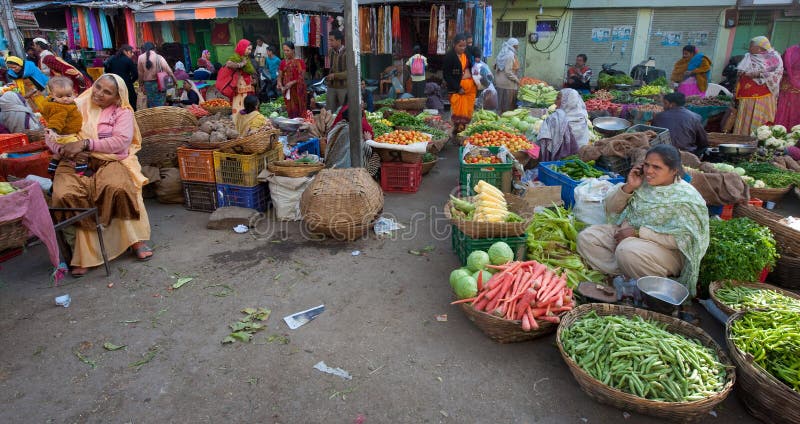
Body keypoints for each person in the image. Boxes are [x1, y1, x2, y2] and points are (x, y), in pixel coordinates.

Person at [46, 74, 153, 277]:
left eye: (107, 92)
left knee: (117, 187)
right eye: (98, 87)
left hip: (110, 159)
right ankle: (83, 254)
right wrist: (64, 149)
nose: (99, 94)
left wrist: (87, 144)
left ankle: (135, 240)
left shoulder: (123, 112)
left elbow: (120, 142)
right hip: (71, 160)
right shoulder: (73, 105)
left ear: (117, 97)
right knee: (64, 194)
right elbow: (51, 135)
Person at [577, 144, 710, 297]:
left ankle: (647, 280)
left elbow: (684, 240)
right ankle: (628, 274)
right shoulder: (642, 183)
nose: (649, 171)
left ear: (674, 171)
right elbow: (612, 208)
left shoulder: (687, 198)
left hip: (666, 250)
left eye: (656, 167)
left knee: (627, 251)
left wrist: (638, 233)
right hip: (628, 237)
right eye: (646, 165)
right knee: (587, 238)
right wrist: (629, 187)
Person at [733, 36, 784, 136]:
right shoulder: (748, 56)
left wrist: (758, 74)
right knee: (745, 117)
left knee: (761, 119)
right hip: (746, 95)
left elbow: (776, 73)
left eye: (751, 46)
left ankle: (761, 138)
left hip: (764, 96)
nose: (749, 48)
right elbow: (740, 72)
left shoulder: (773, 57)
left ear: (760, 48)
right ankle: (742, 137)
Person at [39, 77, 85, 175]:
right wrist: (53, 130)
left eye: (68, 95)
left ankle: (54, 161)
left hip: (64, 134)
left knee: (62, 149)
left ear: (73, 92)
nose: (65, 99)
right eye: (60, 96)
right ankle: (81, 166)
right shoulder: (60, 108)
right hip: (66, 135)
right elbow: (57, 120)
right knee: (78, 148)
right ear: (52, 95)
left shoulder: (54, 102)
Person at [537, 88, 589, 161]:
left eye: (558, 99)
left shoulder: (555, 119)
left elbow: (544, 142)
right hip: (578, 161)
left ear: (567, 101)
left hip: (556, 163)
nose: (555, 102)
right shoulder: (582, 119)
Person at [443, 33, 477, 134]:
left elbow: (475, 51)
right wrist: (458, 88)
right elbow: (447, 75)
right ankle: (455, 133)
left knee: (467, 112)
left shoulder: (465, 54)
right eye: (460, 46)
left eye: (464, 46)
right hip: (456, 90)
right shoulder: (450, 56)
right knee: (456, 112)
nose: (463, 48)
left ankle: (464, 133)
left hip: (468, 91)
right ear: (454, 45)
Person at [218, 39, 256, 115]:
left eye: (250, 50)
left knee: (247, 102)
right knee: (240, 103)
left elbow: (250, 71)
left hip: (247, 85)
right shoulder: (236, 57)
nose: (249, 51)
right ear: (242, 47)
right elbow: (229, 64)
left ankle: (247, 118)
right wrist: (241, 64)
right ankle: (239, 119)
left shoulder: (245, 58)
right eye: (248, 49)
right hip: (239, 86)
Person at [137, 42, 175, 108]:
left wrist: (141, 85)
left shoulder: (140, 57)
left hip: (148, 85)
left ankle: (154, 117)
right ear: (154, 48)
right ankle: (161, 116)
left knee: (151, 103)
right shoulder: (159, 57)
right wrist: (175, 80)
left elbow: (140, 74)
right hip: (160, 83)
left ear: (144, 49)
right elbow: (169, 71)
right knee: (161, 102)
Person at [278, 41, 307, 118]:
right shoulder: (282, 63)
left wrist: (292, 83)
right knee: (291, 110)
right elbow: (280, 76)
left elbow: (302, 77)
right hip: (288, 90)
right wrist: (280, 85)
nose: (286, 52)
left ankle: (302, 126)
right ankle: (293, 125)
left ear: (293, 50)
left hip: (298, 90)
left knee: (300, 109)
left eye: (288, 50)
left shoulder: (300, 62)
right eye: (284, 50)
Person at [105, 45, 138, 110]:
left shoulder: (112, 59)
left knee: (117, 104)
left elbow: (107, 71)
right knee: (131, 103)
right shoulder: (128, 60)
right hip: (126, 85)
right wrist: (131, 81)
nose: (132, 54)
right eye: (130, 52)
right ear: (125, 51)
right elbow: (136, 74)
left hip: (114, 85)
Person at [776, 44, 800, 128]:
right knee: (784, 112)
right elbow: (780, 67)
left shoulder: (790, 51)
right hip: (787, 88)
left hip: (789, 87)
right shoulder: (790, 51)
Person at [494, 38, 521, 113]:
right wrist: (517, 80)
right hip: (508, 84)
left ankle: (499, 118)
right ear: (513, 45)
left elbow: (495, 66)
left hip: (500, 83)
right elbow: (508, 71)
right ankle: (504, 121)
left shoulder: (502, 53)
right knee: (508, 107)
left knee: (500, 105)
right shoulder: (510, 55)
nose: (518, 47)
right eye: (517, 46)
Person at [326, 29, 347, 113]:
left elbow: (349, 73)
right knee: (329, 111)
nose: (330, 43)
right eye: (329, 40)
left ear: (338, 41)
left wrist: (335, 76)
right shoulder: (330, 52)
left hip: (343, 87)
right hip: (331, 86)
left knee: (344, 110)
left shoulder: (347, 53)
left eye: (332, 40)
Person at [471, 46, 497, 111]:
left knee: (481, 110)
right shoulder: (472, 65)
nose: (478, 59)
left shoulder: (483, 66)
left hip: (482, 92)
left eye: (479, 57)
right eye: (477, 57)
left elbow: (491, 78)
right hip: (476, 92)